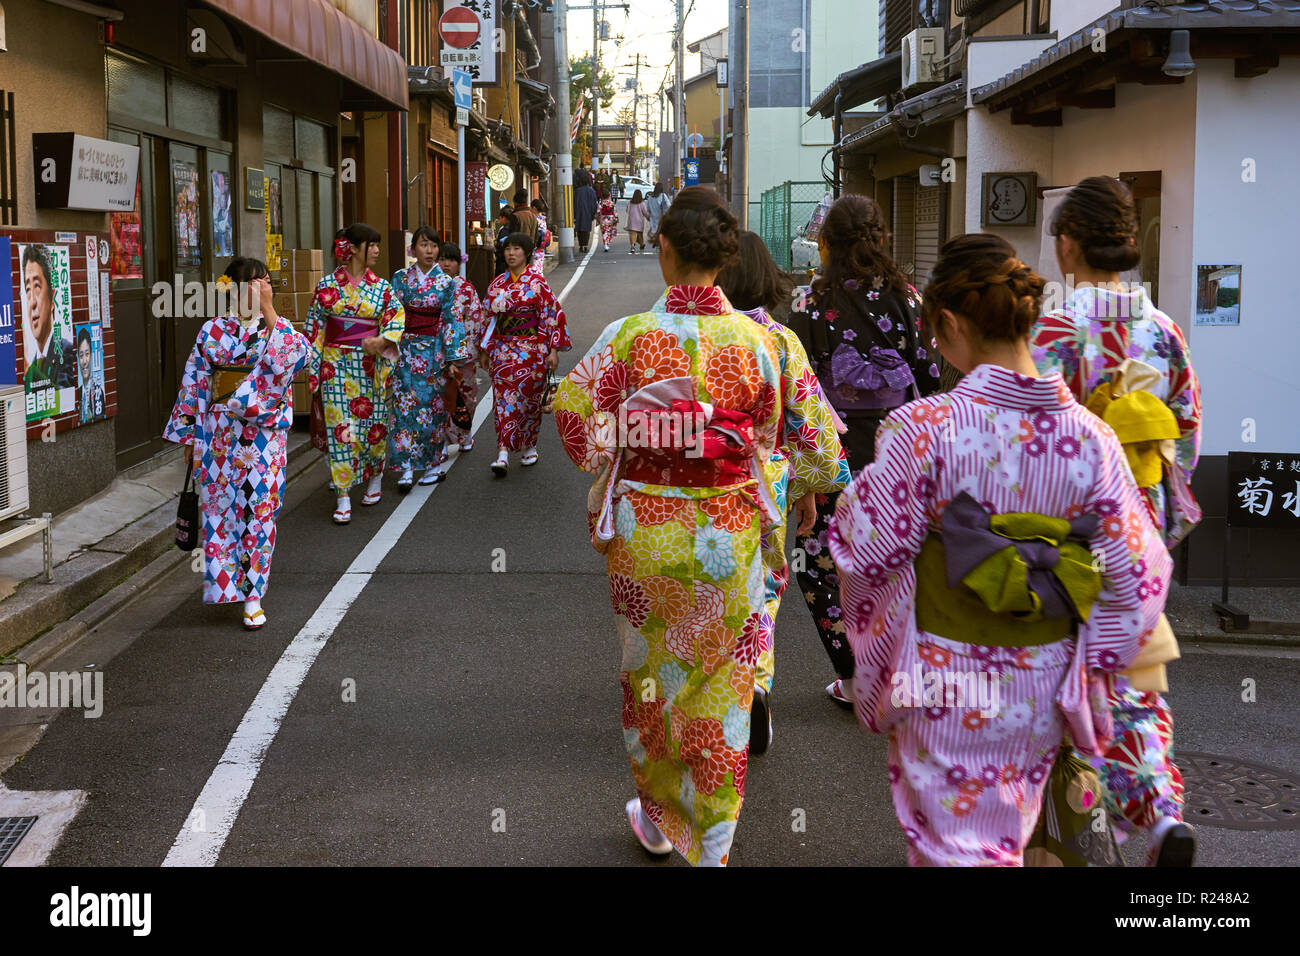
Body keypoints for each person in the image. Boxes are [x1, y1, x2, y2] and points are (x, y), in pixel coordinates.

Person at [828, 233, 1172, 866]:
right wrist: (1089, 661)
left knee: (949, 847)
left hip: (942, 676)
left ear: (952, 323)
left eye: (936, 335)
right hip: (1041, 681)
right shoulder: (1091, 438)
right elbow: (1142, 573)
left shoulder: (924, 429)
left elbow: (867, 549)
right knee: (1004, 838)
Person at [553, 187, 837, 866]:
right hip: (730, 532)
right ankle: (711, 840)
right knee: (723, 684)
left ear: (665, 251)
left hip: (645, 535)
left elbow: (572, 415)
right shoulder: (764, 342)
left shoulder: (630, 337)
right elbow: (821, 446)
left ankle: (658, 818)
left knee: (651, 678)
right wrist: (772, 471)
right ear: (725, 258)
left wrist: (621, 449)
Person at [1032, 176, 1202, 866]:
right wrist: (1163, 528)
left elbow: (1029, 429)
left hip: (1065, 534)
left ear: (1069, 245)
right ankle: (1160, 812)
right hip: (1139, 528)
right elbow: (1185, 436)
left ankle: (1064, 835)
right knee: (1134, 674)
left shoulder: (1056, 328)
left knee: (1052, 680)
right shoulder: (1164, 333)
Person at [785, 194, 942, 705]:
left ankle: (854, 676)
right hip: (899, 447)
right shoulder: (910, 301)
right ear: (881, 240)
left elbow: (797, 392)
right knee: (897, 560)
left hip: (831, 449)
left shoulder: (807, 305)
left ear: (826, 242)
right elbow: (933, 381)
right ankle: (897, 671)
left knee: (820, 559)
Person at [716, 230, 850, 752]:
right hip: (764, 485)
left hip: (687, 488)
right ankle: (754, 690)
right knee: (760, 593)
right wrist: (811, 486)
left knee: (702, 596)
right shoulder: (780, 340)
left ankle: (704, 703)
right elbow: (811, 431)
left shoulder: (684, 335)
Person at [165, 257, 310, 630]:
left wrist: (270, 311)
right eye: (249, 282)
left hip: (263, 437)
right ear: (231, 288)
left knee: (259, 512)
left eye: (263, 281)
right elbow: (195, 383)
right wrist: (190, 436)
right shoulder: (213, 330)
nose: (258, 288)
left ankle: (254, 595)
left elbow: (300, 357)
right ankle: (231, 586)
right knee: (221, 512)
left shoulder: (277, 330)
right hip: (220, 433)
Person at [305, 223, 406, 524]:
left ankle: (374, 476)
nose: (376, 250)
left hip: (370, 366)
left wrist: (383, 340)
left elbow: (396, 319)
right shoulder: (327, 286)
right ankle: (343, 494)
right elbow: (314, 327)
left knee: (373, 426)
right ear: (352, 248)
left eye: (377, 244)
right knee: (341, 430)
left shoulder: (382, 288)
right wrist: (315, 367)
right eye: (370, 245)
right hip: (335, 364)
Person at [480, 232, 570, 475]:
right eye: (508, 248)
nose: (511, 253)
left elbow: (552, 316)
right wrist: (485, 349)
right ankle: (502, 452)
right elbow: (488, 319)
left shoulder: (537, 283)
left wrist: (553, 350)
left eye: (517, 248)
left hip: (532, 350)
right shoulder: (498, 283)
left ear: (527, 253)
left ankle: (529, 445)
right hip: (503, 349)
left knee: (529, 402)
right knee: (503, 401)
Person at [389, 226, 462, 490]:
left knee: (433, 409)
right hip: (405, 351)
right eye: (423, 245)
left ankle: (433, 464)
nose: (429, 251)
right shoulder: (400, 278)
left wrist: (452, 358)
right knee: (404, 409)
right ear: (413, 248)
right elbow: (391, 315)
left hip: (434, 352)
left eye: (433, 246)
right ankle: (406, 467)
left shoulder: (445, 282)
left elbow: (452, 320)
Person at [437, 242, 486, 454]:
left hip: (463, 354)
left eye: (452, 259)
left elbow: (475, 320)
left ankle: (465, 435)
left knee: (467, 395)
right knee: (440, 398)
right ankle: (444, 440)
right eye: (442, 259)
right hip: (436, 352)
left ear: (459, 263)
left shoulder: (466, 289)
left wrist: (459, 347)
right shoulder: (431, 288)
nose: (446, 263)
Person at [21, 244, 77, 389]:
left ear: (52, 298)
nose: (32, 301)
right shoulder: (31, 366)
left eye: (37, 286)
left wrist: (30, 370)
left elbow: (64, 392)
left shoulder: (65, 351)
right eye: (28, 289)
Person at [77, 327, 106, 423]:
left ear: (92, 355)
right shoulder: (78, 392)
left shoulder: (98, 392)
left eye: (87, 354)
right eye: (81, 356)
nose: (84, 361)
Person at [574, 174, 598, 255]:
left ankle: (581, 245)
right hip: (588, 212)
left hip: (578, 212)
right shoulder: (591, 191)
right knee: (586, 229)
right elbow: (594, 203)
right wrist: (593, 213)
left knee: (579, 229)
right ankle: (585, 245)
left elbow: (573, 203)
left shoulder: (577, 191)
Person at [530, 198, 551, 271]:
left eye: (531, 208)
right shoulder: (543, 219)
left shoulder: (535, 220)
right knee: (539, 269)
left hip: (535, 248)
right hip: (542, 248)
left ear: (534, 208)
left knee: (534, 270)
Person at [645, 183, 668, 250]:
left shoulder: (650, 197)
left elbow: (648, 208)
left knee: (655, 231)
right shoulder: (663, 196)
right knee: (661, 231)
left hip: (653, 217)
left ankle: (657, 242)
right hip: (662, 216)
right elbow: (668, 205)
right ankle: (659, 243)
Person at [625, 189, 648, 255]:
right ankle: (641, 244)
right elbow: (645, 212)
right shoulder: (642, 203)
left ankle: (632, 246)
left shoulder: (630, 202)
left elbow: (627, 210)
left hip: (632, 221)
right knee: (640, 234)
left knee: (632, 234)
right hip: (639, 221)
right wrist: (648, 217)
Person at [597, 187, 618, 253]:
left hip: (603, 218)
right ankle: (608, 242)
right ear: (609, 195)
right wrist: (616, 218)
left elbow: (598, 211)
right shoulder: (611, 203)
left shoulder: (600, 203)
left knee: (604, 232)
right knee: (609, 231)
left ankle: (605, 244)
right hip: (610, 219)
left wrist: (597, 219)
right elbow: (615, 211)